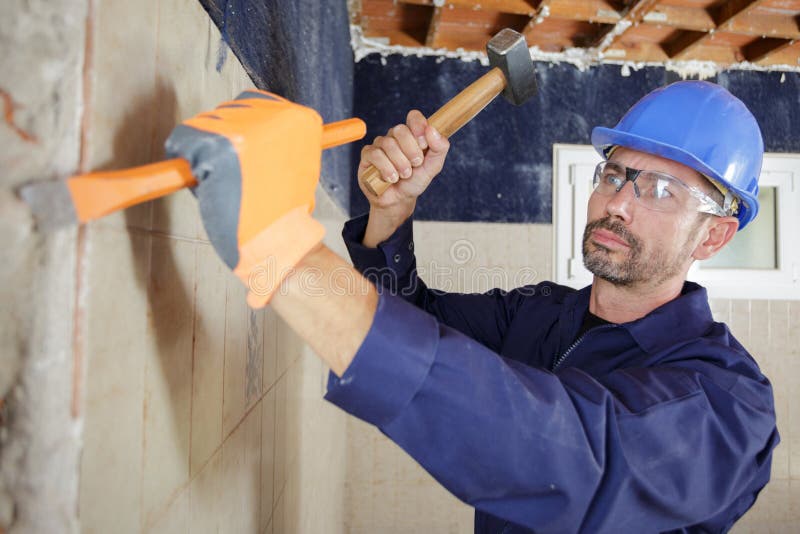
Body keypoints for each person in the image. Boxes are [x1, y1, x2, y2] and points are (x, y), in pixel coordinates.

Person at [173, 81, 779, 533]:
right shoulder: (540, 313)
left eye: (663, 190)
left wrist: (276, 245)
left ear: (713, 237)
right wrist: (392, 212)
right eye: (615, 174)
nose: (618, 204)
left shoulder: (729, 403)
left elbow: (563, 454)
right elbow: (405, 319)